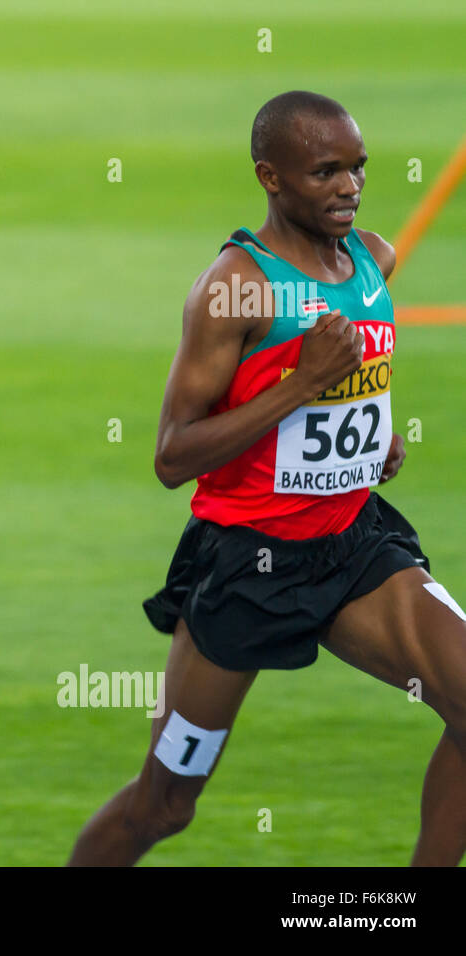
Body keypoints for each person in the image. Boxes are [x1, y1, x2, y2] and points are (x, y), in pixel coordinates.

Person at [69, 91, 466, 866]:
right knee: (165, 803)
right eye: (325, 171)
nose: (349, 187)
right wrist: (301, 385)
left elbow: (359, 374)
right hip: (246, 568)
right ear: (271, 177)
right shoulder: (232, 288)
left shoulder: (372, 258)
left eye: (357, 168)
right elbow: (173, 455)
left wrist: (374, 435)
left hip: (355, 548)